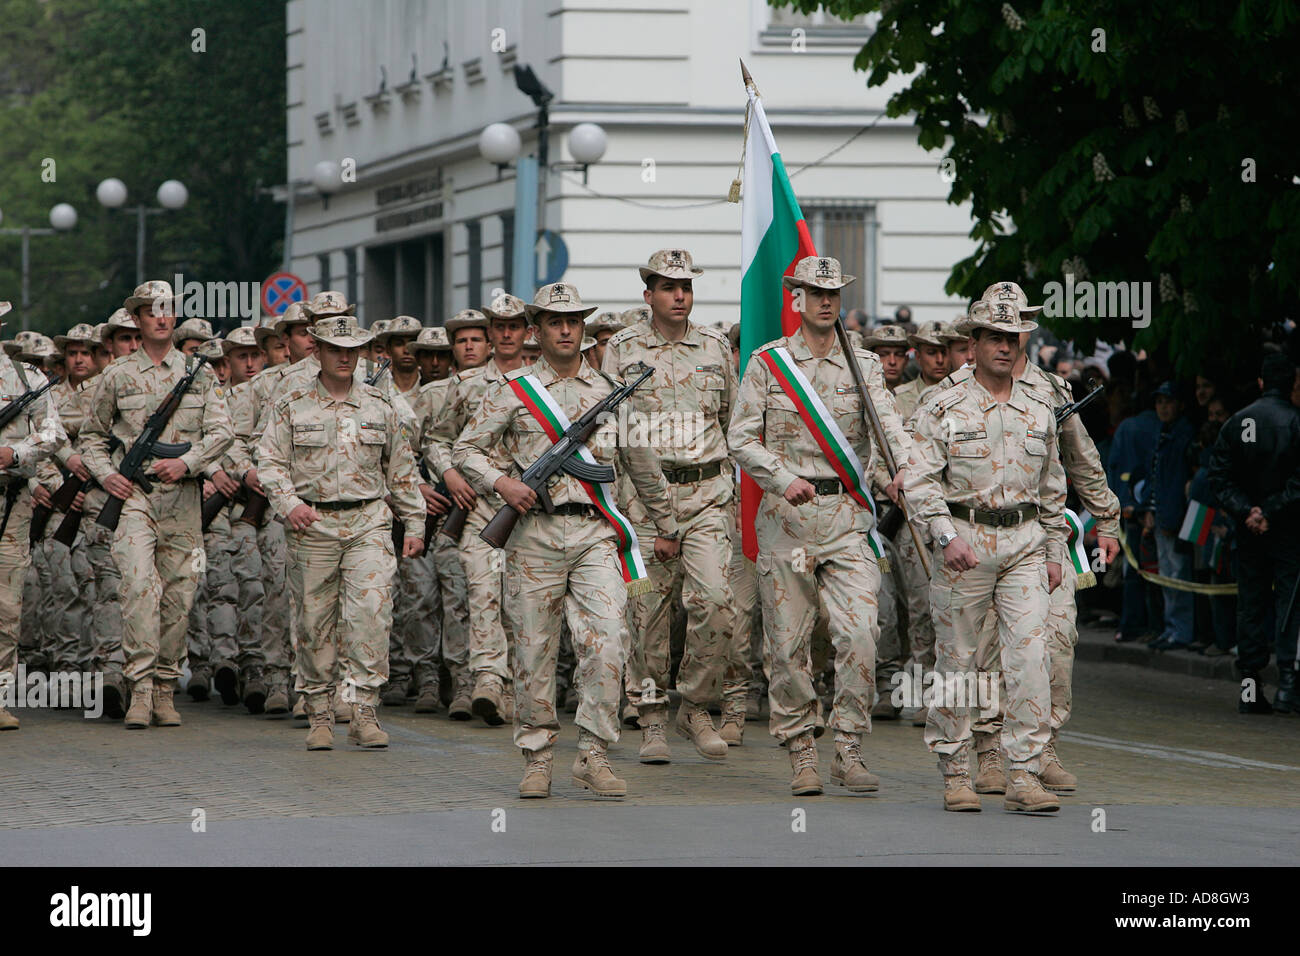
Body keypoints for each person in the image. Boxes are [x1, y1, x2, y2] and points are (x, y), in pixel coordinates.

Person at [453, 281, 680, 798]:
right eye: (554, 321)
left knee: (608, 640)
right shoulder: (512, 392)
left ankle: (595, 754)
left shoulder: (609, 393)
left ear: (582, 329)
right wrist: (502, 483)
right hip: (532, 535)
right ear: (537, 329)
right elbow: (466, 451)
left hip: (597, 533)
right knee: (534, 649)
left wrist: (666, 526)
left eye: (573, 321)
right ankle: (537, 756)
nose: (564, 329)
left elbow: (642, 467)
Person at [728, 256, 913, 796]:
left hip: (849, 519)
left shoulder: (863, 364)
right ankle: (802, 749)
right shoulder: (768, 364)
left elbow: (884, 432)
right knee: (788, 645)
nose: (826, 301)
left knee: (859, 631)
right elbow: (741, 438)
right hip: (787, 521)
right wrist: (781, 477)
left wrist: (897, 474)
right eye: (815, 292)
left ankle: (849, 747)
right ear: (796, 299)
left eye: (833, 292)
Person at [904, 296, 1067, 813]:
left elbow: (1053, 487)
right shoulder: (943, 405)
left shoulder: (1040, 406)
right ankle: (955, 771)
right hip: (964, 543)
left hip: (1024, 545)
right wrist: (942, 535)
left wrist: (1057, 548)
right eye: (993, 337)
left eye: (1012, 337)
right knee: (958, 662)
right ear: (970, 345)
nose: (1004, 345)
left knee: (1032, 657)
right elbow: (919, 480)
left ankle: (1023, 772)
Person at [257, 315, 425, 749]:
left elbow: (402, 471)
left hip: (368, 520)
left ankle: (365, 710)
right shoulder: (291, 403)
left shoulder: (378, 406)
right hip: (312, 525)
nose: (346, 357)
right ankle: (319, 713)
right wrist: (290, 504)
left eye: (354, 349)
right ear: (318, 351)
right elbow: (270, 462)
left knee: (371, 614)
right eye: (336, 349)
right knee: (314, 623)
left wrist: (415, 523)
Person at [602, 249, 736, 762]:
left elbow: (727, 420)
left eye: (686, 287)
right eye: (667, 287)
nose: (679, 296)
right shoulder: (623, 349)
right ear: (648, 295)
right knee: (648, 618)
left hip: (706, 496)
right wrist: (649, 517)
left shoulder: (716, 346)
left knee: (717, 605)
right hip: (644, 500)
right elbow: (616, 433)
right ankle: (653, 716)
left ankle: (696, 705)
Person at [80, 281, 233, 729]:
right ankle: (140, 688)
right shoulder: (118, 374)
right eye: (152, 311)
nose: (161, 318)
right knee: (138, 590)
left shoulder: (199, 372)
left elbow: (222, 432)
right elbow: (91, 436)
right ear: (140, 319)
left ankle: (167, 687)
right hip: (135, 499)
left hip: (183, 502)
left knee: (179, 596)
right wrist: (107, 474)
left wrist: (187, 463)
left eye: (168, 310)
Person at [425, 298, 527, 724]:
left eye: (513, 326)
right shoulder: (465, 385)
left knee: (520, 603)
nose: (505, 334)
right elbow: (437, 439)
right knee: (483, 593)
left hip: (531, 509)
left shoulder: (541, 384)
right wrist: (448, 474)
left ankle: (514, 687)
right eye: (498, 326)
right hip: (482, 505)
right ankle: (486, 678)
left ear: (526, 331)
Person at [1208, 353, 1300, 713]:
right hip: (1288, 529)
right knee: (1290, 604)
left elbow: (1220, 477)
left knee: (1250, 604)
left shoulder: (1237, 422)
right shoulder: (1295, 423)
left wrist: (1247, 511)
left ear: (1261, 382)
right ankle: (1289, 688)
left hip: (1248, 531)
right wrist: (1270, 510)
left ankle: (1249, 688)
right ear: (1291, 383)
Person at [0, 302, 67, 730]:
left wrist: (15, 453)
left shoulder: (26, 378)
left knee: (6, 605)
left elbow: (53, 434)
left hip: (11, 501)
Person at [410, 326, 471, 712]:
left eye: (441, 355)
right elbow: (402, 449)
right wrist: (417, 487)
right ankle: (426, 680)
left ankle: (462, 681)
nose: (436, 362)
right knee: (419, 600)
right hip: (432, 507)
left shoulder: (503, 387)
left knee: (459, 600)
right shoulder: (431, 396)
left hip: (473, 510)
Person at [1141, 382, 1196, 651]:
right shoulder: (1162, 433)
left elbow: (1178, 484)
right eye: (1159, 401)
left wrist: (1172, 518)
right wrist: (1152, 511)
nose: (1163, 407)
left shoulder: (1184, 435)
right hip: (1162, 515)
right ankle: (1171, 628)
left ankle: (1181, 631)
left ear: (1180, 405)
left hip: (1176, 519)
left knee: (1177, 575)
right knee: (1167, 575)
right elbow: (1156, 480)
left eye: (1168, 401)